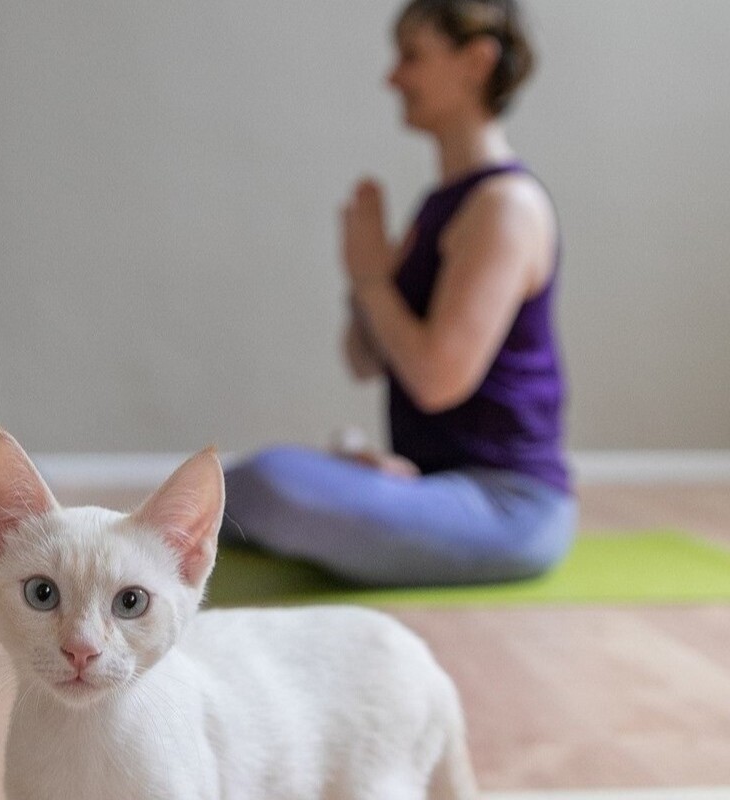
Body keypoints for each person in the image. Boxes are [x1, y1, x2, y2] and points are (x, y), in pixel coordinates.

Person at [221, 0, 575, 586]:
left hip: (508, 506)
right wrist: (364, 284)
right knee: (235, 486)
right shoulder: (443, 204)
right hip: (433, 484)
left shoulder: (506, 207)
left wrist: (371, 280)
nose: (393, 77)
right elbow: (363, 360)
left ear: (476, 62)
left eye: (411, 56)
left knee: (268, 481)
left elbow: (435, 381)